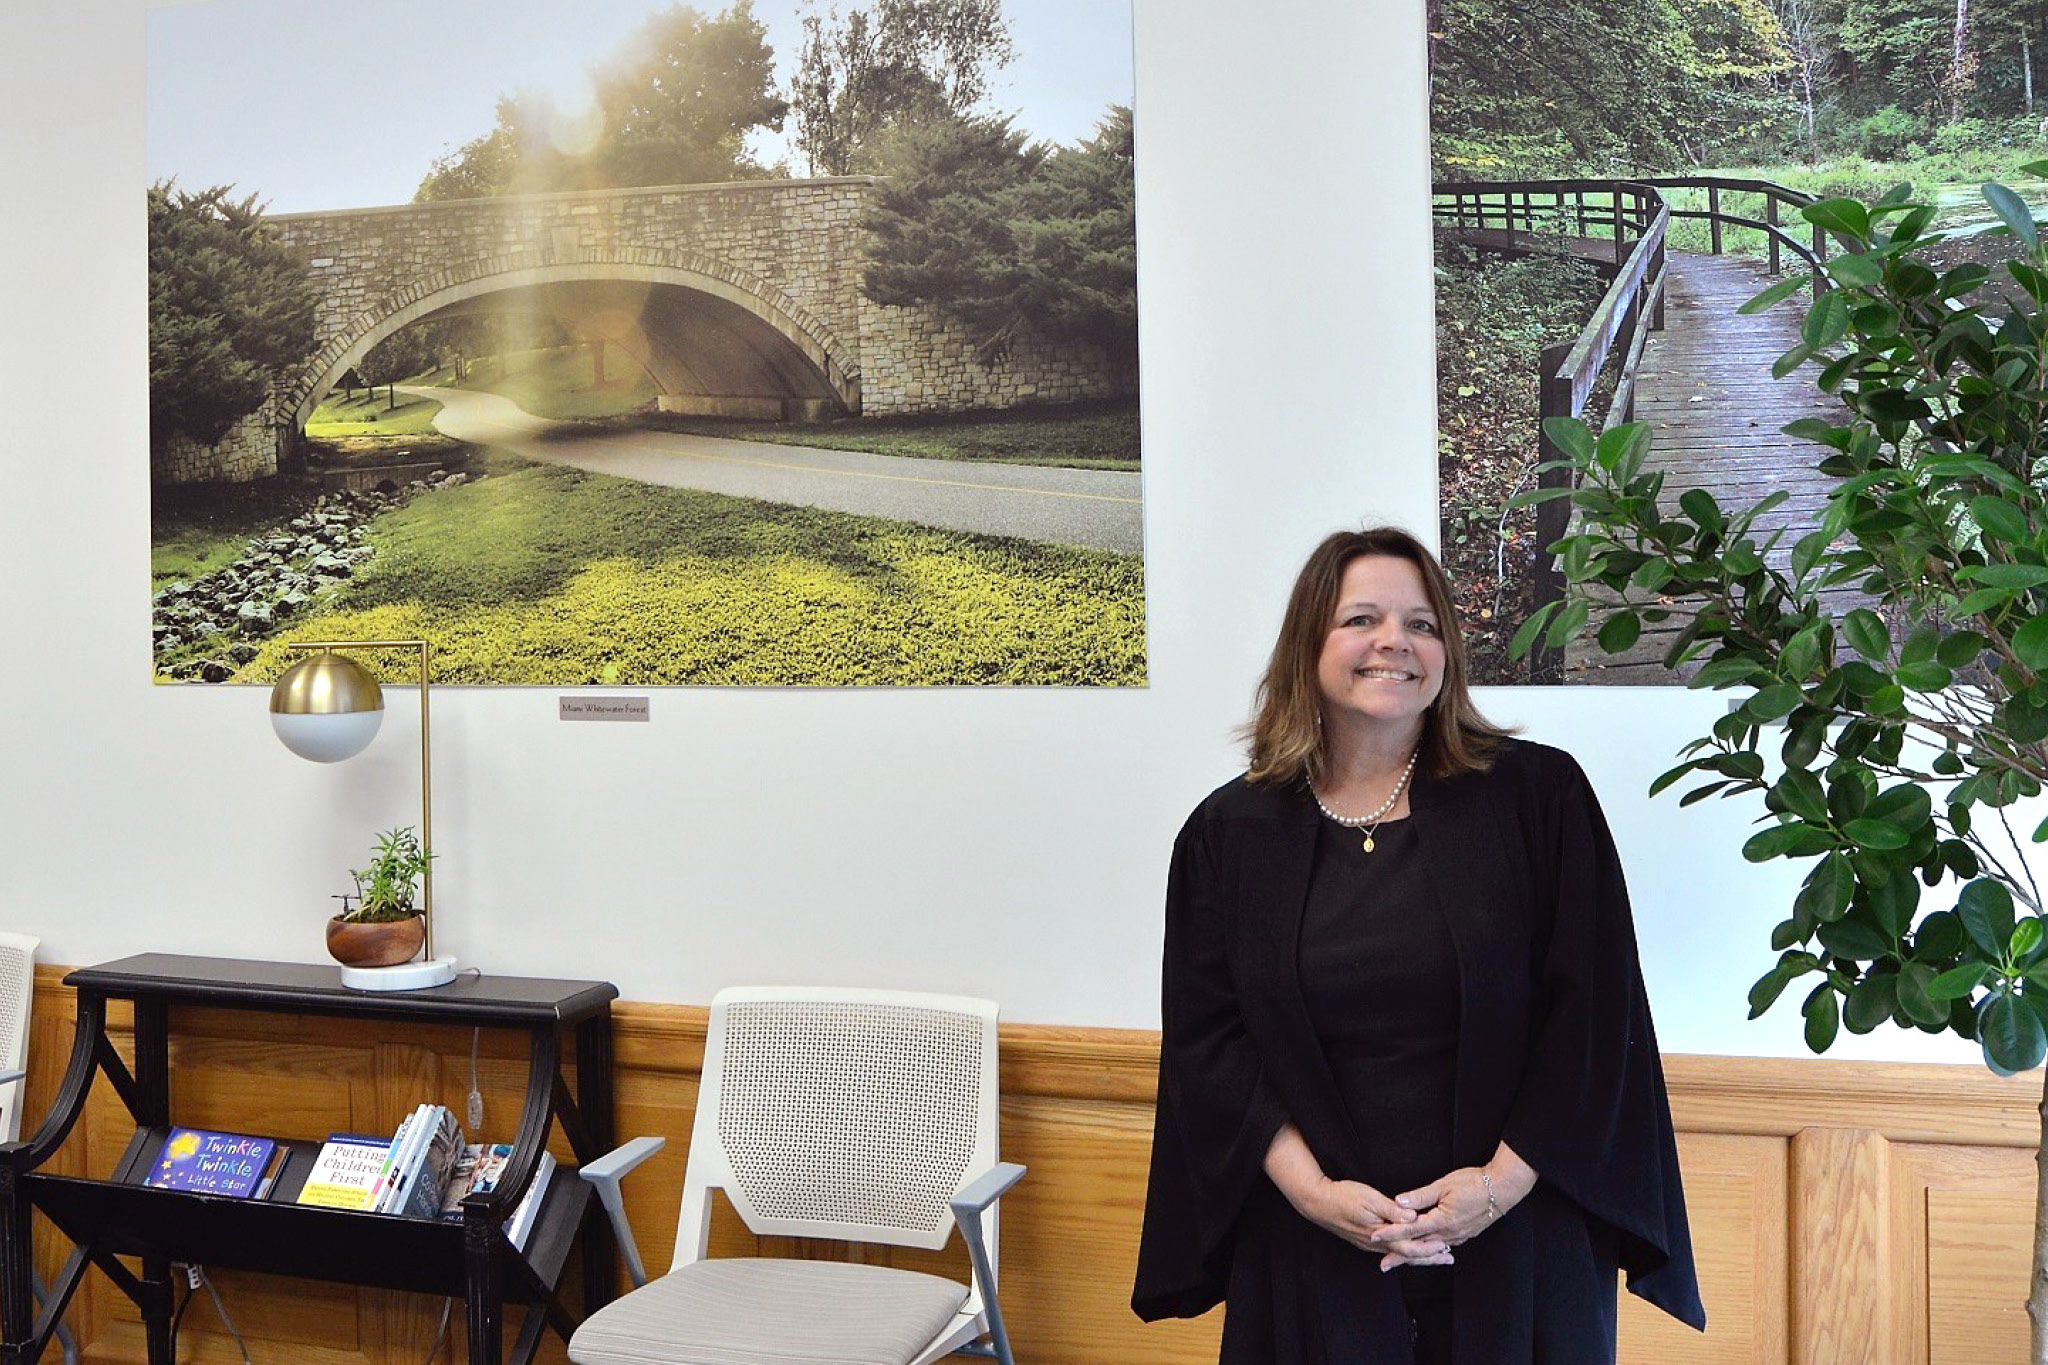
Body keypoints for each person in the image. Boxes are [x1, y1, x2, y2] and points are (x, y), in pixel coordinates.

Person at [1132, 527, 1705, 1364]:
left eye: (1423, 623)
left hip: (1517, 1239)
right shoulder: (1231, 834)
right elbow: (1210, 1044)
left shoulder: (1537, 799)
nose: (1394, 641)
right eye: (1361, 618)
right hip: (1312, 1244)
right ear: (1308, 646)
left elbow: (1593, 1016)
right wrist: (1316, 1193)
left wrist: (1495, 1189)